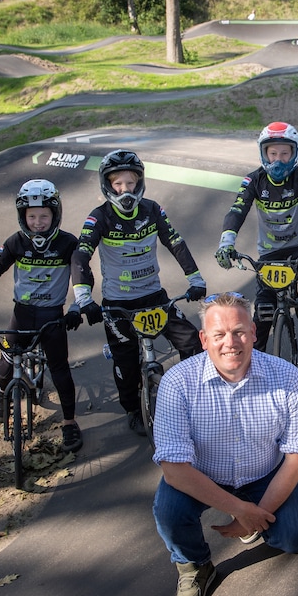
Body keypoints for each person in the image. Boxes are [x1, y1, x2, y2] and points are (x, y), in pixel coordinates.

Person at [152, 293, 298, 596]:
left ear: (253, 332)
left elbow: (297, 459)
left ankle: (257, 515)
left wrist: (253, 514)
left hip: (263, 473)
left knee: (296, 538)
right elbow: (174, 471)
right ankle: (194, 565)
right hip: (202, 475)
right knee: (169, 512)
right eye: (219, 335)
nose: (230, 343)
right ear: (204, 340)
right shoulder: (177, 384)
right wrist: (240, 509)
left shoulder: (287, 377)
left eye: (239, 331)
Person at [71, 149, 207, 437]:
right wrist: (84, 299)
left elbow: (175, 242)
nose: (125, 190)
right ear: (107, 185)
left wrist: (195, 278)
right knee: (126, 361)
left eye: (131, 183)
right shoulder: (99, 217)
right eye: (118, 184)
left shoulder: (152, 209)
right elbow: (81, 255)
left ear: (140, 183)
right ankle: (133, 410)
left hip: (154, 296)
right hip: (117, 304)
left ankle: (191, 395)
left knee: (192, 341)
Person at [0, 180, 85, 452]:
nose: (38, 223)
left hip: (52, 317)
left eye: (44, 216)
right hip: (21, 314)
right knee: (7, 361)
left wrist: (76, 309)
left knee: (60, 369)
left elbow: (82, 277)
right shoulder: (16, 242)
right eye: (31, 216)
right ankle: (2, 393)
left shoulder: (68, 243)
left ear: (55, 214)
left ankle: (69, 422)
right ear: (23, 217)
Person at [215, 122, 298, 366]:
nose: (278, 160)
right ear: (263, 153)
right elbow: (237, 211)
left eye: (285, 153)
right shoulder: (253, 180)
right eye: (272, 153)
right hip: (270, 253)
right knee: (263, 310)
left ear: (295, 153)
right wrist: (226, 242)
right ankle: (254, 360)